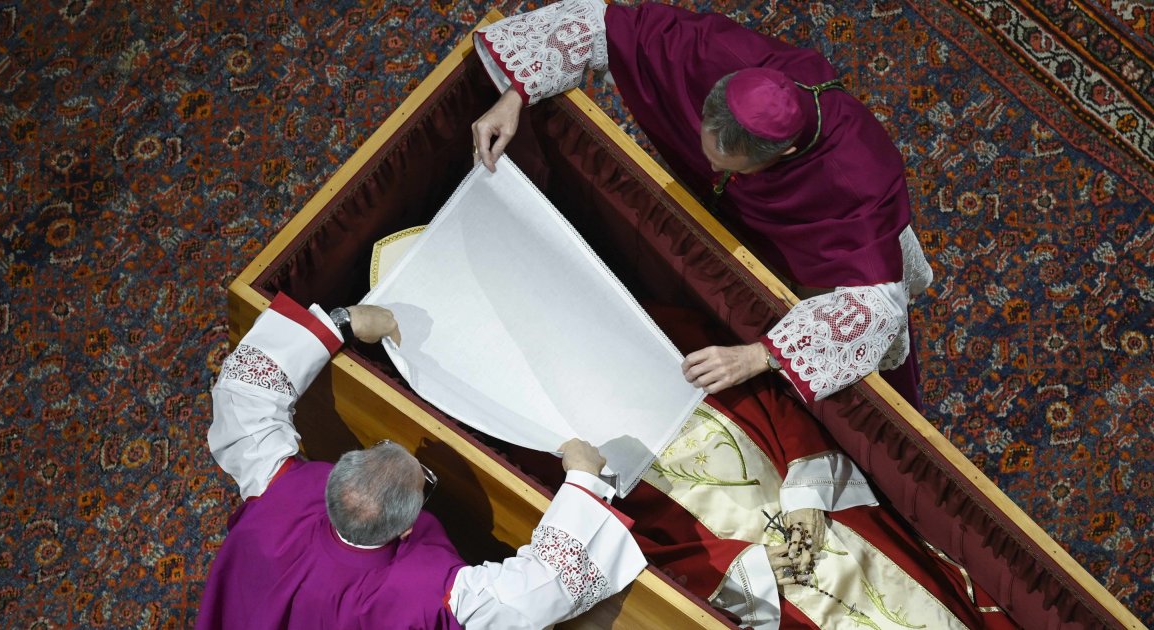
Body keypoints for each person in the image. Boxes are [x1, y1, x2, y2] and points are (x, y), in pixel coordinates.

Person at [470, 0, 934, 408]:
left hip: (802, 249)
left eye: (729, 165)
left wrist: (759, 355)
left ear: (784, 154)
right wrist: (515, 95)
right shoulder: (716, 54)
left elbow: (876, 303)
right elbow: (600, 24)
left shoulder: (860, 179)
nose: (714, 169)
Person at [509, 303, 1016, 629]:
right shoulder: (553, 431)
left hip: (794, 512)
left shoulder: (659, 338)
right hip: (787, 556)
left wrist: (792, 513)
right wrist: (764, 549)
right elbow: (621, 550)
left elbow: (778, 405)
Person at [197, 292, 645, 629]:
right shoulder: (426, 594)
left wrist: (343, 321)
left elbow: (245, 397)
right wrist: (584, 478)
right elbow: (543, 589)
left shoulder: (279, 494)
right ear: (408, 527)